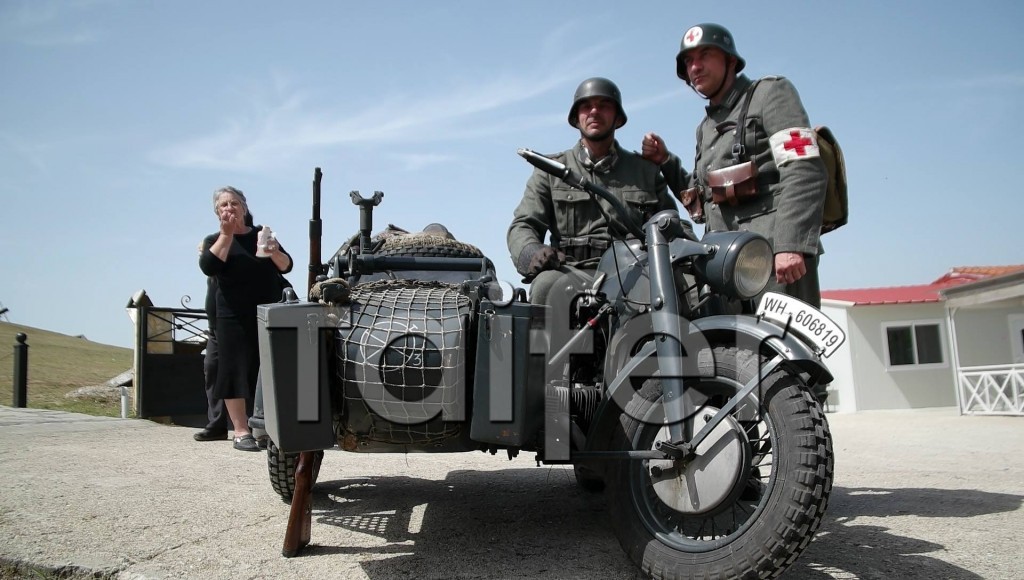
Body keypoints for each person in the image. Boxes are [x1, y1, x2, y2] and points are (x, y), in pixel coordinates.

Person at [642, 23, 827, 307]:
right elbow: (703, 201)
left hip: (772, 258)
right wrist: (666, 162)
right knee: (728, 350)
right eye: (688, 61)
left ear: (730, 60)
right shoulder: (705, 128)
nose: (695, 67)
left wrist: (791, 245)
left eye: (705, 55)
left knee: (784, 348)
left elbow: (804, 169)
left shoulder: (770, 94)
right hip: (724, 264)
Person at [507, 77, 678, 306]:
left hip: (634, 273)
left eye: (604, 105)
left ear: (617, 118)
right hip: (569, 272)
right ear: (576, 118)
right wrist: (532, 252)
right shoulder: (550, 170)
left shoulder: (644, 171)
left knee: (680, 286)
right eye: (586, 106)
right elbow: (523, 224)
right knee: (546, 285)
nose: (594, 112)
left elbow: (671, 223)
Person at [199, 186, 292, 451]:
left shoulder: (261, 234)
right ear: (217, 212)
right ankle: (241, 431)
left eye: (234, 204)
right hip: (231, 314)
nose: (229, 209)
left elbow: (287, 265)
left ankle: (267, 427)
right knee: (233, 370)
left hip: (267, 310)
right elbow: (209, 266)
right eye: (223, 206)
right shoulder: (214, 239)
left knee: (269, 367)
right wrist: (227, 235)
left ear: (244, 207)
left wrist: (273, 251)